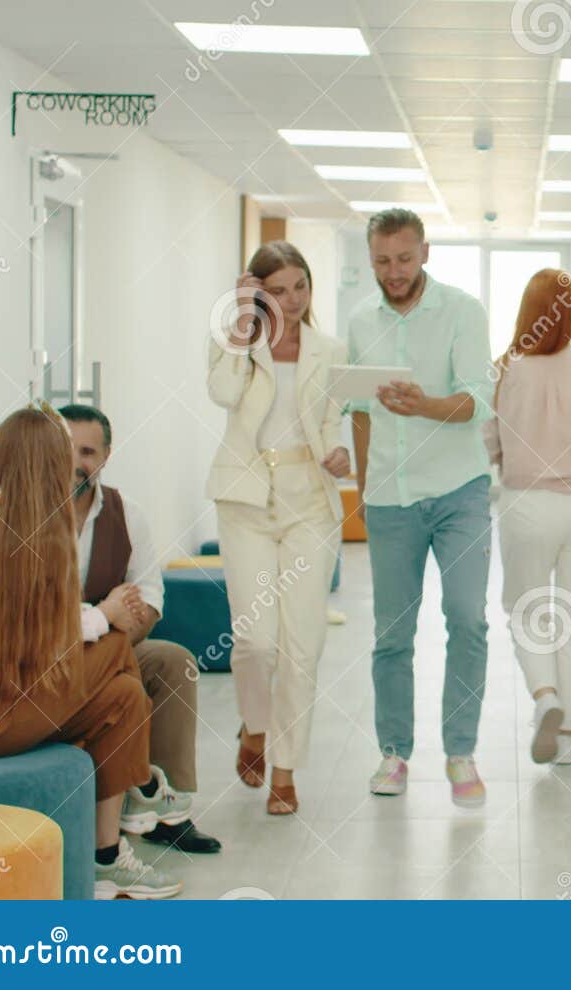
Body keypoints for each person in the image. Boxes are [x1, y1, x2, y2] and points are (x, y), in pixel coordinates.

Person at [0, 406, 181, 898]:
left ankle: (108, 856)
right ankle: (147, 792)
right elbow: (37, 647)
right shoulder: (20, 541)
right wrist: (106, 613)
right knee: (115, 648)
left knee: (122, 698)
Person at [348, 208, 495, 805]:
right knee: (392, 635)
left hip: (459, 491)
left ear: (425, 253)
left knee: (466, 619)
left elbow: (478, 401)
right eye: (383, 260)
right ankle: (394, 754)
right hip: (389, 498)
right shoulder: (361, 320)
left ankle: (459, 752)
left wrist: (422, 406)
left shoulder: (463, 310)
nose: (394, 271)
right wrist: (363, 489)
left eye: (404, 258)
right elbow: (357, 409)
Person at [207, 240, 349, 816]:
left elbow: (334, 418)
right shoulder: (234, 342)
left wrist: (339, 454)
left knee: (302, 646)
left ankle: (285, 771)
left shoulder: (330, 350)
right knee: (255, 640)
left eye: (300, 287)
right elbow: (223, 394)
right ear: (258, 293)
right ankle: (254, 726)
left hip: (309, 502)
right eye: (279, 290)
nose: (292, 300)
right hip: (245, 501)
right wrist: (244, 328)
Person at [60, 403, 222, 853]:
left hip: (114, 645)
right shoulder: (25, 512)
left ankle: (172, 811)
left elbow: (149, 600)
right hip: (45, 656)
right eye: (66, 449)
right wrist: (102, 614)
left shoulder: (127, 514)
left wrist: (107, 629)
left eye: (88, 451)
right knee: (121, 670)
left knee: (173, 661)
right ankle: (135, 792)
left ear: (107, 456)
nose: (76, 463)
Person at [484, 268, 571, 767]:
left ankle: (544, 696)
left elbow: (490, 439)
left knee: (528, 612)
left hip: (526, 503)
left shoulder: (507, 367)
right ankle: (566, 735)